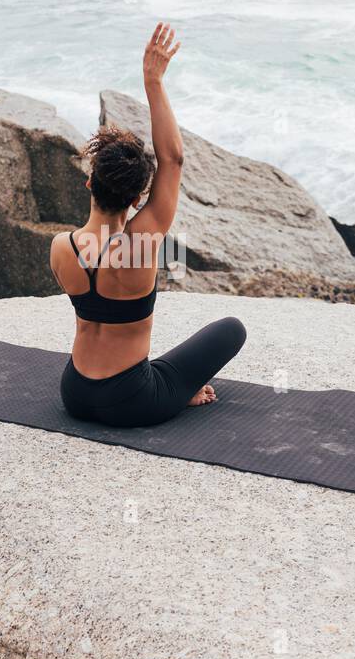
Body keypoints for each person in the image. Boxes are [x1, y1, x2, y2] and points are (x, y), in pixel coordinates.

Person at [50, 23, 246, 427]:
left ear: (90, 183)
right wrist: (153, 81)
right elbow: (172, 160)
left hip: (74, 392)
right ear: (138, 198)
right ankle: (177, 394)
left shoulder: (60, 248)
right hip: (131, 402)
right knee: (231, 329)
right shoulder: (139, 245)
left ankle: (174, 388)